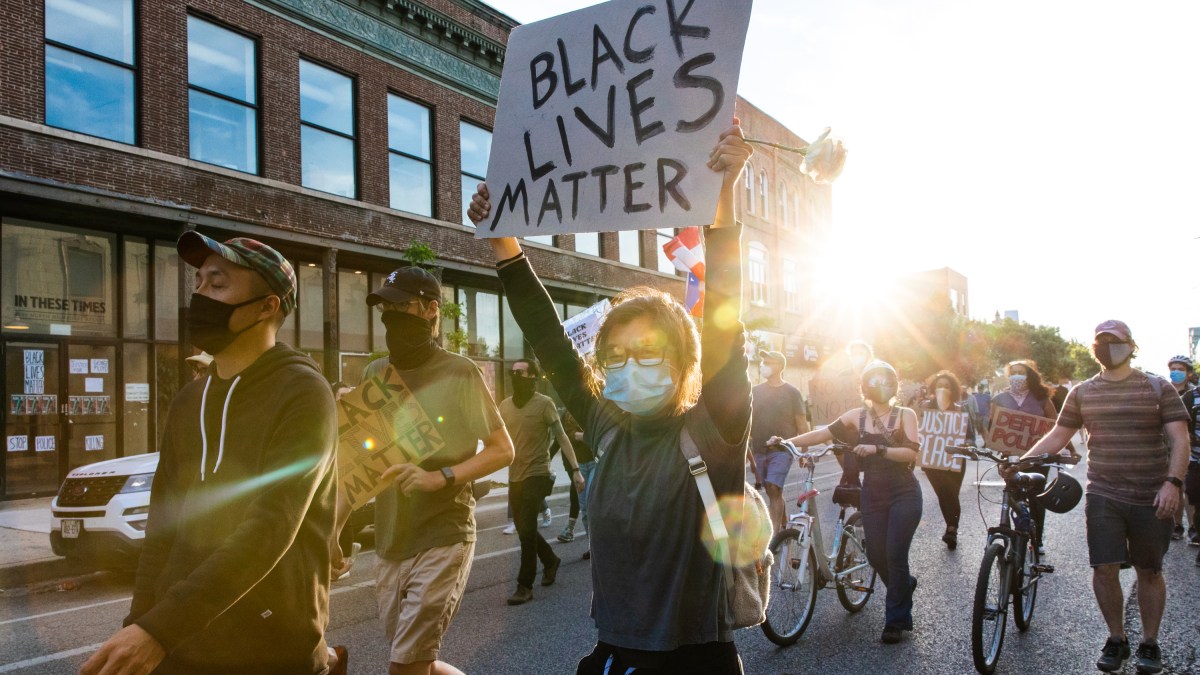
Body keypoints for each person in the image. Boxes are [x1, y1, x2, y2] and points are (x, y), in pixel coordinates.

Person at [469, 120, 753, 673]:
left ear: (684, 363)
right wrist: (502, 241)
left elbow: (725, 314)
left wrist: (724, 191)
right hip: (613, 657)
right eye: (614, 357)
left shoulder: (712, 428)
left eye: (646, 352)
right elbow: (549, 340)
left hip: (695, 660)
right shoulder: (606, 425)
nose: (627, 368)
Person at [83, 233, 342, 675]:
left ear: (267, 307)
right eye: (198, 283)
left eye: (218, 285)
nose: (200, 295)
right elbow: (163, 524)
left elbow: (271, 527)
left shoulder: (303, 392)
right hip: (181, 648)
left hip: (272, 651)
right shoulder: (189, 399)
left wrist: (157, 631)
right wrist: (140, 625)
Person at [336, 266, 514, 675]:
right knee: (418, 661)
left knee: (406, 666)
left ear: (432, 310)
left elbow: (503, 450)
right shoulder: (375, 374)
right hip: (391, 539)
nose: (390, 317)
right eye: (385, 308)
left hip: (443, 533)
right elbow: (358, 467)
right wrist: (333, 532)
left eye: (402, 307)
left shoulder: (460, 371)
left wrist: (442, 477)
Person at [1013, 320, 1189, 674]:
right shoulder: (1082, 392)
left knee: (1149, 570)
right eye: (1100, 340)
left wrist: (1173, 483)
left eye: (1114, 340)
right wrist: (1021, 462)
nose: (1107, 346)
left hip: (1150, 494)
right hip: (1103, 492)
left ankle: (1149, 643)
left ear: (1132, 345)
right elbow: (1058, 436)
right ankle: (1116, 637)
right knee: (1103, 568)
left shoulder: (1157, 388)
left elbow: (1180, 440)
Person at [775, 360, 922, 644]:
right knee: (876, 554)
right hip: (874, 493)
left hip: (905, 492)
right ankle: (903, 587)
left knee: (894, 553)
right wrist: (785, 440)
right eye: (874, 380)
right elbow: (823, 433)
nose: (880, 386)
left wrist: (878, 448)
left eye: (886, 380)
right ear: (865, 386)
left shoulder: (906, 415)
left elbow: (911, 453)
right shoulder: (857, 415)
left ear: (894, 385)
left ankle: (896, 621)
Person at [499, 359, 586, 605]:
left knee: (525, 531)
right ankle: (550, 560)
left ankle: (524, 585)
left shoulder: (545, 404)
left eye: (520, 372)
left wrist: (576, 470)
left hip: (537, 473)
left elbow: (562, 438)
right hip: (515, 475)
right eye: (512, 372)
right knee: (525, 528)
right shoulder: (504, 407)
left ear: (532, 378)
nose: (515, 376)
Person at [990, 359, 1059, 554]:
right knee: (1015, 496)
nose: (1017, 376)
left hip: (1037, 458)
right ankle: (1021, 534)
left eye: (1021, 372)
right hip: (1011, 458)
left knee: (1036, 496)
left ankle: (1037, 539)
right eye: (1014, 372)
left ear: (1030, 375)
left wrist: (1069, 449)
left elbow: (1055, 426)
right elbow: (992, 425)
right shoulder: (999, 399)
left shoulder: (1042, 398)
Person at [749, 350, 810, 531]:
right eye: (763, 362)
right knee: (771, 491)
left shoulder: (792, 392)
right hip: (759, 449)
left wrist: (803, 453)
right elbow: (747, 422)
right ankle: (784, 528)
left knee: (774, 487)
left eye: (768, 362)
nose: (763, 365)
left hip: (783, 450)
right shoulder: (754, 392)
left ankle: (774, 537)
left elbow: (801, 424)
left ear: (780, 367)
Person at [918, 370, 973, 550]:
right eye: (940, 386)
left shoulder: (960, 408)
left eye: (947, 386)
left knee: (950, 493)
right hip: (932, 460)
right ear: (934, 388)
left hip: (955, 459)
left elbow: (971, 436)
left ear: (954, 390)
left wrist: (966, 444)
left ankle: (951, 527)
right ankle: (952, 528)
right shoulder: (925, 407)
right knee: (945, 491)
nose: (943, 389)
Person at [1166, 355, 1199, 556]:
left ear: (1188, 374)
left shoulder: (1191, 395)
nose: (1176, 372)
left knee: (1189, 489)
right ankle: (1176, 525)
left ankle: (1194, 526)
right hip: (1166, 446)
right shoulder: (1164, 391)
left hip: (1187, 447)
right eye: (1173, 368)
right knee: (1174, 486)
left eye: (1180, 369)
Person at [557, 409, 596, 545]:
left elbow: (599, 434)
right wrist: (587, 436)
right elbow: (568, 437)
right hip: (579, 466)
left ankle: (599, 547)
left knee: (592, 505)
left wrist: (583, 436)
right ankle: (592, 546)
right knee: (584, 508)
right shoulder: (567, 414)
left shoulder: (593, 406)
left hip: (595, 462)